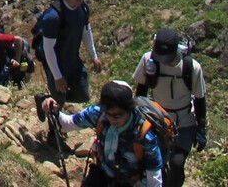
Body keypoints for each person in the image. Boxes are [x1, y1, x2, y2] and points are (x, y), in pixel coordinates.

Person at [42, 81, 163, 187]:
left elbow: (154, 174)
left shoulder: (143, 134)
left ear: (129, 109)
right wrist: (53, 110)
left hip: (132, 181)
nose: (112, 119)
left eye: (117, 115)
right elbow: (66, 125)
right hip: (102, 171)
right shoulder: (99, 114)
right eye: (108, 114)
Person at [134, 28, 207, 187]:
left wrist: (201, 128)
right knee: (155, 160)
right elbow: (141, 93)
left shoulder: (192, 68)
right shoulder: (149, 61)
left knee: (177, 161)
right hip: (156, 119)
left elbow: (200, 99)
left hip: (184, 122)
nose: (162, 60)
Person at [37, 0, 103, 105]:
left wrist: (94, 56)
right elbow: (48, 49)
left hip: (73, 59)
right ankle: (49, 104)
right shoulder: (53, 17)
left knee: (83, 95)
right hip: (55, 62)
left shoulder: (82, 9)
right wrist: (57, 76)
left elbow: (86, 32)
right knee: (58, 102)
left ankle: (50, 100)